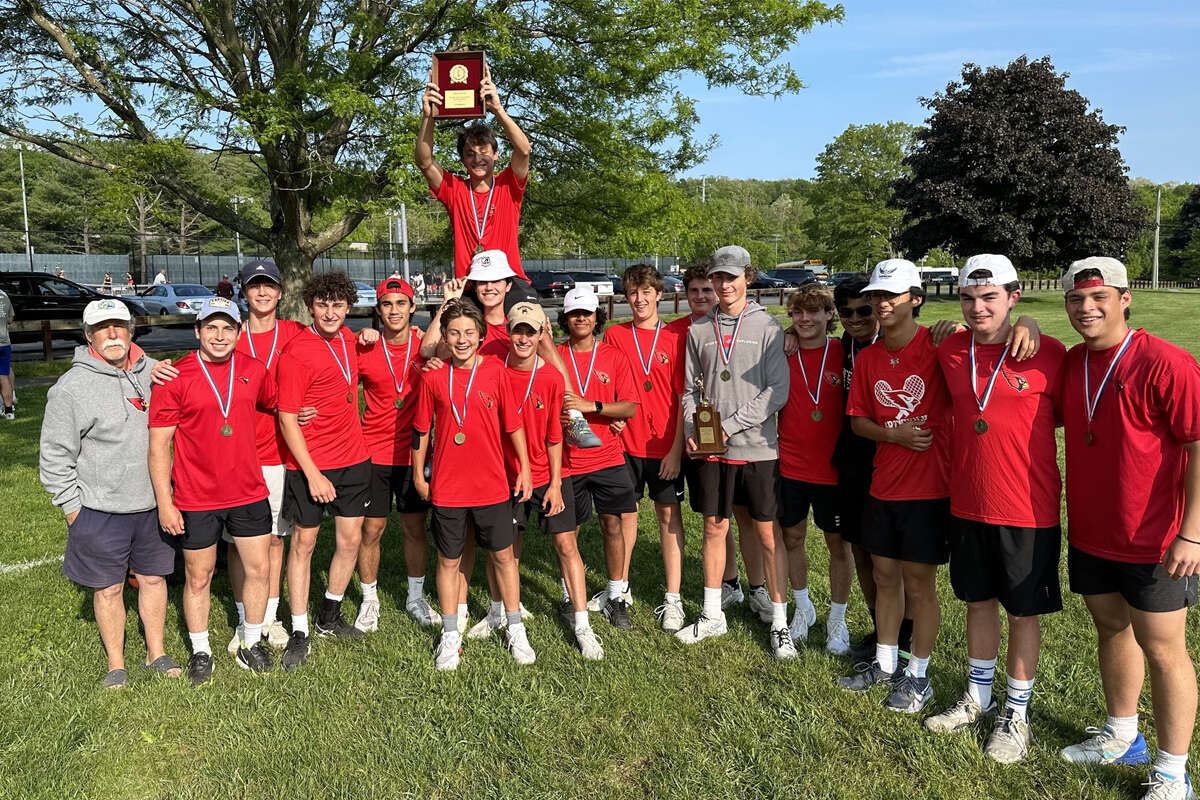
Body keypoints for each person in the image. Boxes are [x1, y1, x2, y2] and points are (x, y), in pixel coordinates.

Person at [1055, 257, 1200, 800]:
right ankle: (1122, 734)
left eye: (1098, 298)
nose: (1086, 308)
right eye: (1076, 299)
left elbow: (1197, 444)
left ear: (1124, 298)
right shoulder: (1072, 363)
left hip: (1157, 537)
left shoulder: (1166, 362)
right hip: (1093, 530)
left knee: (1164, 648)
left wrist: (1193, 532)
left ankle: (1172, 772)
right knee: (1111, 628)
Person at [923, 254, 1066, 763]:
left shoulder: (1049, 352)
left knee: (1024, 612)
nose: (977, 308)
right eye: (968, 298)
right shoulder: (949, 348)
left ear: (1014, 297)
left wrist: (1029, 325)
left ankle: (1017, 712)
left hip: (1028, 509)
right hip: (967, 504)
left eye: (990, 297)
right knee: (977, 603)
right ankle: (978, 697)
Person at [39, 299, 181, 689]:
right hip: (99, 510)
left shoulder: (155, 373)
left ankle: (156, 652)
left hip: (153, 505)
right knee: (110, 588)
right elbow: (54, 457)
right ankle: (116, 664)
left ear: (131, 331)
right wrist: (74, 511)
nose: (113, 334)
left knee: (154, 580)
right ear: (89, 336)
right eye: (103, 328)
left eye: (120, 326)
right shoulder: (71, 389)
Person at [836, 258, 950, 713]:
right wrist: (894, 434)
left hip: (929, 488)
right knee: (885, 578)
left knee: (919, 586)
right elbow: (859, 421)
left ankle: (918, 675)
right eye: (876, 297)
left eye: (890, 296)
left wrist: (1024, 320)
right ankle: (884, 664)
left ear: (915, 300)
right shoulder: (868, 358)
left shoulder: (942, 345)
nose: (880, 304)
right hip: (884, 485)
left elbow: (991, 344)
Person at [147, 297, 276, 685]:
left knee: (259, 569)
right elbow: (158, 447)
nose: (219, 336)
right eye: (212, 328)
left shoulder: (254, 370)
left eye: (228, 328)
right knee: (198, 577)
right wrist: (165, 504)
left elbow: (275, 405)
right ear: (198, 331)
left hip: (249, 491)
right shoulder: (176, 377)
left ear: (239, 333)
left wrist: (300, 413)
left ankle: (252, 641)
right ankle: (201, 650)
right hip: (196, 496)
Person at [676, 245, 795, 659]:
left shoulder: (768, 327)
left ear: (748, 277)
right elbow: (690, 390)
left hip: (757, 448)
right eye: (718, 278)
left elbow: (776, 391)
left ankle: (779, 622)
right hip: (712, 452)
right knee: (713, 528)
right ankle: (713, 613)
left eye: (732, 277)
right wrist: (694, 428)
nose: (724, 285)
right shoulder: (698, 330)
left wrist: (726, 427)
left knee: (766, 533)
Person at [468, 301, 605, 659]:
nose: (524, 338)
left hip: (548, 474)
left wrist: (557, 484)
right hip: (506, 476)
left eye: (532, 331)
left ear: (541, 335)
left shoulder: (551, 377)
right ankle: (498, 611)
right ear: (508, 332)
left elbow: (555, 436)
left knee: (566, 546)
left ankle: (582, 624)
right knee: (505, 549)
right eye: (518, 331)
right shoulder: (491, 370)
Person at [411, 299, 534, 671]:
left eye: (469, 332)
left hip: (492, 485)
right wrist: (419, 475)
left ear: (481, 336)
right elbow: (420, 431)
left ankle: (514, 627)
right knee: (449, 561)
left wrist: (524, 469)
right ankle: (451, 634)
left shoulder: (496, 372)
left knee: (503, 557)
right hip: (447, 485)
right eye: (454, 333)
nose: (462, 339)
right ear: (444, 338)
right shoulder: (433, 377)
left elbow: (513, 425)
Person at [275, 272, 373, 671]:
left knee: (350, 541)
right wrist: (313, 473)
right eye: (323, 305)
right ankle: (299, 631)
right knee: (304, 544)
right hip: (311, 465)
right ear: (310, 307)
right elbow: (286, 418)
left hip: (354, 458)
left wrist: (372, 338)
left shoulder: (349, 339)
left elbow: (375, 348)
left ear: (348, 308)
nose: (330, 312)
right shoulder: (298, 352)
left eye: (338, 305)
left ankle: (329, 616)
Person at [422, 250, 600, 449]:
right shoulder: (469, 330)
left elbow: (556, 370)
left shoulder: (522, 326)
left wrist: (573, 411)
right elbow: (427, 352)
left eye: (496, 281)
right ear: (475, 287)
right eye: (482, 282)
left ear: (508, 286)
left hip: (522, 411)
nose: (489, 288)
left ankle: (577, 420)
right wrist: (449, 302)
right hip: (482, 417)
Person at [604, 264, 688, 632]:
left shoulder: (675, 338)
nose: (639, 300)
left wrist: (675, 450)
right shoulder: (614, 335)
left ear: (659, 294)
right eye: (632, 293)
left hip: (664, 445)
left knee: (669, 518)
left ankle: (673, 598)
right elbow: (602, 382)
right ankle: (619, 589)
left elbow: (684, 397)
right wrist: (611, 417)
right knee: (626, 517)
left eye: (646, 292)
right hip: (625, 444)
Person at [666, 263, 752, 612]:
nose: (701, 296)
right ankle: (728, 579)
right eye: (694, 291)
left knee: (742, 515)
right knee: (714, 518)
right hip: (690, 436)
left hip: (732, 437)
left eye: (707, 290)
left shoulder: (731, 327)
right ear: (685, 295)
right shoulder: (674, 332)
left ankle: (748, 584)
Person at [415, 64, 537, 307]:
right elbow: (424, 161)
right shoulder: (455, 189)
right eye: (470, 154)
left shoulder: (507, 185)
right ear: (462, 159)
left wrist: (497, 109)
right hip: (468, 283)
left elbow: (524, 149)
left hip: (509, 280)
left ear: (496, 155)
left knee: (533, 331)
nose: (477, 159)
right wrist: (429, 117)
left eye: (484, 152)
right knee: (456, 339)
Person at [355, 276, 437, 630]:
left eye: (401, 303)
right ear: (378, 310)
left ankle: (415, 596)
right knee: (371, 530)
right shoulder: (365, 348)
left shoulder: (427, 346)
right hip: (373, 453)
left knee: (414, 527)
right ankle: (370, 599)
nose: (394, 310)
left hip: (414, 453)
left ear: (413, 307)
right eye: (387, 304)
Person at [556, 287, 640, 630]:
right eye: (575, 313)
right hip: (567, 460)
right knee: (568, 530)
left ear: (596, 317)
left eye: (587, 313)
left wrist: (594, 407)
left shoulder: (614, 357)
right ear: (565, 317)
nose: (581, 319)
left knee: (613, 524)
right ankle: (567, 592)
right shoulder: (554, 355)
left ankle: (616, 594)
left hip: (607, 457)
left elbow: (630, 407)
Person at [775, 283, 852, 653]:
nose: (805, 319)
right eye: (797, 313)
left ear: (828, 315)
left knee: (838, 545)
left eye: (813, 312)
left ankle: (838, 617)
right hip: (790, 465)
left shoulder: (843, 351)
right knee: (792, 538)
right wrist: (786, 334)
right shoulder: (781, 351)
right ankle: (803, 607)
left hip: (833, 470)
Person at [0, 286, 13, 419]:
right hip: (4, 341)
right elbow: (10, 319)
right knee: (4, 375)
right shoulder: (5, 296)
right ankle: (9, 410)